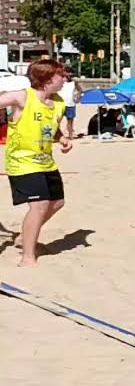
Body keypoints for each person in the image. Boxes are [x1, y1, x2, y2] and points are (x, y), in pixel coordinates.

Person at [0, 59, 72, 267]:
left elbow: (51, 128)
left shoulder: (58, 102)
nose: (65, 79)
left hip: (45, 161)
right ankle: (27, 257)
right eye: (61, 75)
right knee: (39, 205)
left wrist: (62, 138)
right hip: (22, 161)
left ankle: (25, 237)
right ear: (47, 79)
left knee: (57, 203)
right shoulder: (22, 97)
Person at [57, 69, 79, 137]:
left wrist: (78, 98)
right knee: (57, 121)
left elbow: (80, 90)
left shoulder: (74, 82)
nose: (69, 74)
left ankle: (70, 135)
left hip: (71, 104)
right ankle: (56, 135)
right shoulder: (60, 81)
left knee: (70, 121)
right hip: (60, 103)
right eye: (68, 72)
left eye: (71, 73)